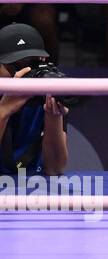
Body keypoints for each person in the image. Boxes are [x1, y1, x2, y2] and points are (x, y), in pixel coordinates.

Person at [0, 23, 68, 176]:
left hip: (33, 190)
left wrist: (53, 117)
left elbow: (54, 169)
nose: (23, 74)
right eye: (14, 67)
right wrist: (3, 111)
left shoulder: (50, 90)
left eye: (32, 64)